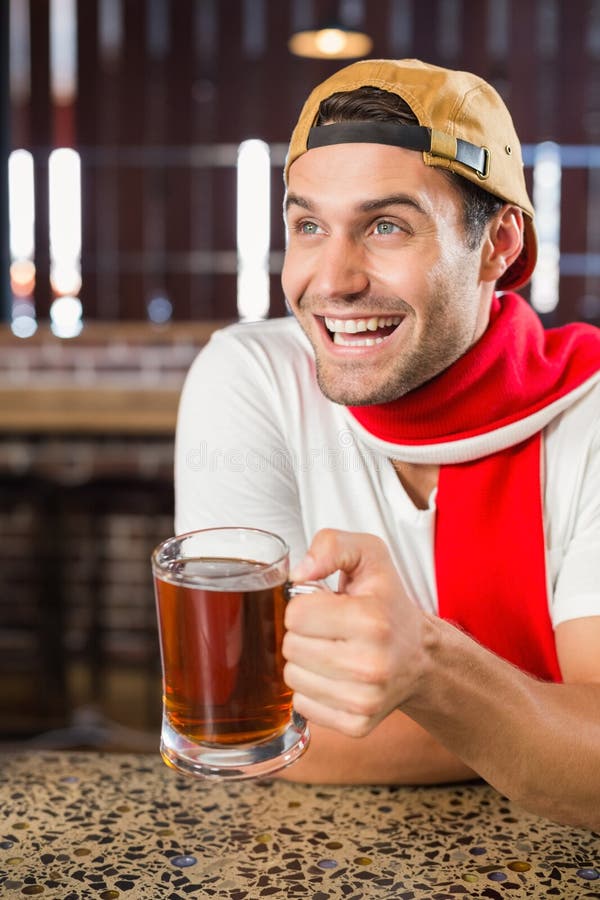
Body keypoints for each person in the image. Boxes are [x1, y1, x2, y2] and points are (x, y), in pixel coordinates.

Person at [175, 59, 600, 829]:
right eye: (308, 226)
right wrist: (541, 712)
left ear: (499, 243)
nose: (330, 279)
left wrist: (429, 669)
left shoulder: (590, 412)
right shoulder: (252, 377)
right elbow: (239, 720)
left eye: (385, 226)